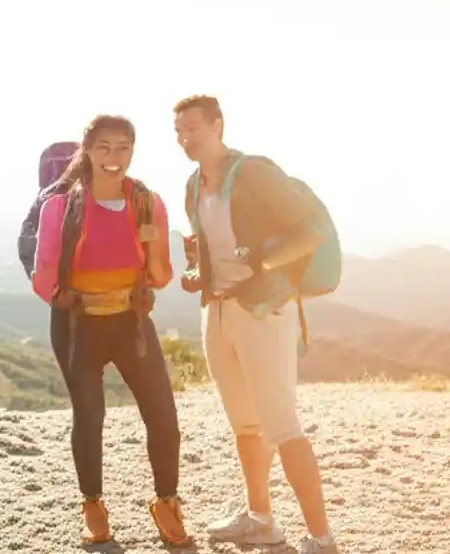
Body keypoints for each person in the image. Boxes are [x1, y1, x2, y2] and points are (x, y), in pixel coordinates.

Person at [173, 94, 340, 554]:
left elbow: (313, 229)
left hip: (264, 312)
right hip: (218, 311)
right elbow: (207, 250)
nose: (187, 138)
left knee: (282, 424)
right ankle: (261, 519)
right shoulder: (192, 185)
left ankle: (321, 539)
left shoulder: (255, 173)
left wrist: (265, 265)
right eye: (180, 132)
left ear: (218, 125)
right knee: (245, 425)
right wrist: (197, 274)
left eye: (195, 128)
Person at [30, 115, 193, 547]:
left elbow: (160, 273)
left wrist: (148, 279)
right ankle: (93, 504)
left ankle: (167, 501)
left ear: (133, 152)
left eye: (123, 148)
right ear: (88, 151)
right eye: (103, 147)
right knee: (90, 416)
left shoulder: (147, 203)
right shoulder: (59, 208)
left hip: (129, 321)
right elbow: (44, 276)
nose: (113, 157)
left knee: (162, 415)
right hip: (76, 323)